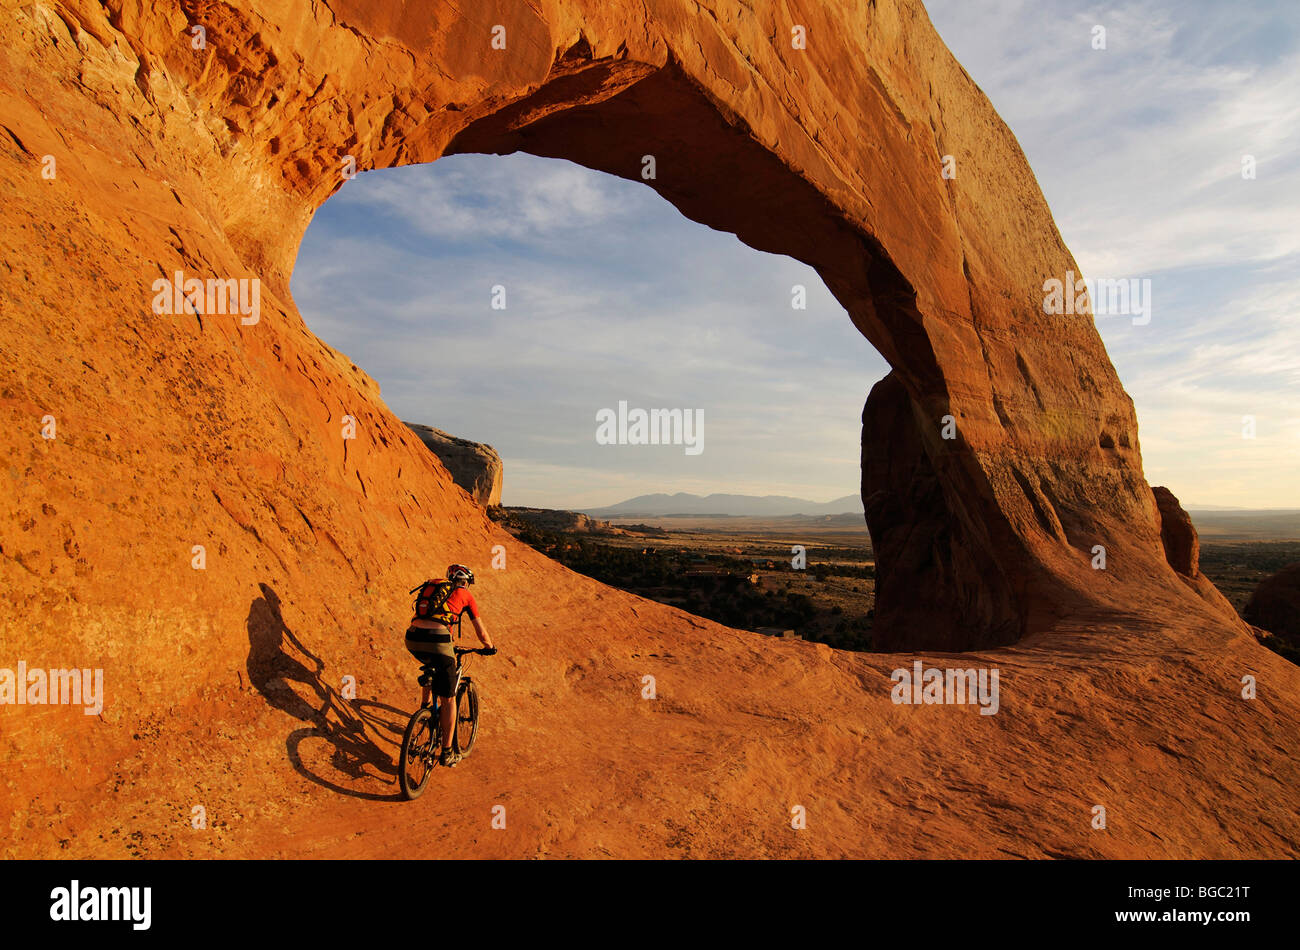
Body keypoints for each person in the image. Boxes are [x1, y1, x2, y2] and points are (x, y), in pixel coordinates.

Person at [404, 564, 495, 766]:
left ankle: (424, 708)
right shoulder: (466, 596)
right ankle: (447, 752)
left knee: (431, 664)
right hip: (438, 640)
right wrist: (489, 646)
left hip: (412, 638)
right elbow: (480, 630)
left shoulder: (436, 590)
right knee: (449, 699)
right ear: (466, 583)